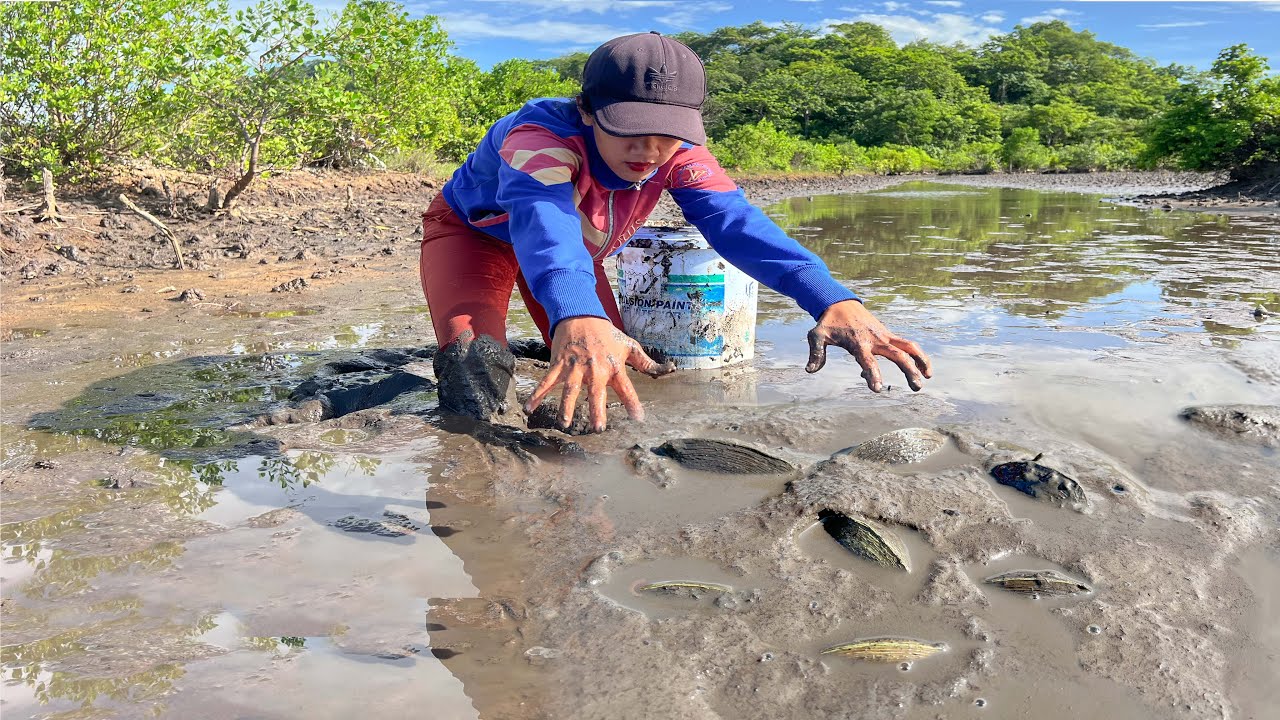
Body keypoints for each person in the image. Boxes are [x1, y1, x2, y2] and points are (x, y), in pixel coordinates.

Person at [420, 31, 932, 433]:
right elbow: (545, 227)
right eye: (628, 129)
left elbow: (736, 225)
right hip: (477, 236)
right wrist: (575, 313)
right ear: (586, 111)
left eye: (667, 134)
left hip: (573, 251)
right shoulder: (539, 140)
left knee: (616, 358)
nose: (647, 150)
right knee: (475, 368)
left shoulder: (682, 153)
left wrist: (831, 298)